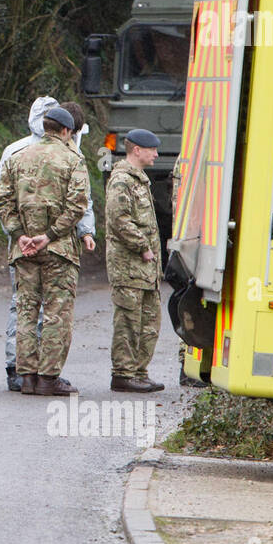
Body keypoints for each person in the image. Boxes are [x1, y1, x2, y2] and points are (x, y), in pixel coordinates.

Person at [0, 106, 89, 395]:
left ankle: (27, 378)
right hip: (58, 250)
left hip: (24, 251)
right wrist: (49, 236)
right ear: (66, 131)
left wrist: (20, 235)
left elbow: (2, 201)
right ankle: (48, 378)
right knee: (56, 313)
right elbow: (77, 205)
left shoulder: (17, 158)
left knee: (26, 311)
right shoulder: (73, 160)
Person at [105, 128, 166, 393]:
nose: (156, 154)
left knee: (149, 321)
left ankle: (139, 372)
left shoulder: (139, 179)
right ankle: (123, 374)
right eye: (152, 149)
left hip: (145, 269)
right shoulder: (121, 180)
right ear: (137, 150)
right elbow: (119, 219)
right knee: (129, 321)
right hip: (129, 266)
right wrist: (142, 247)